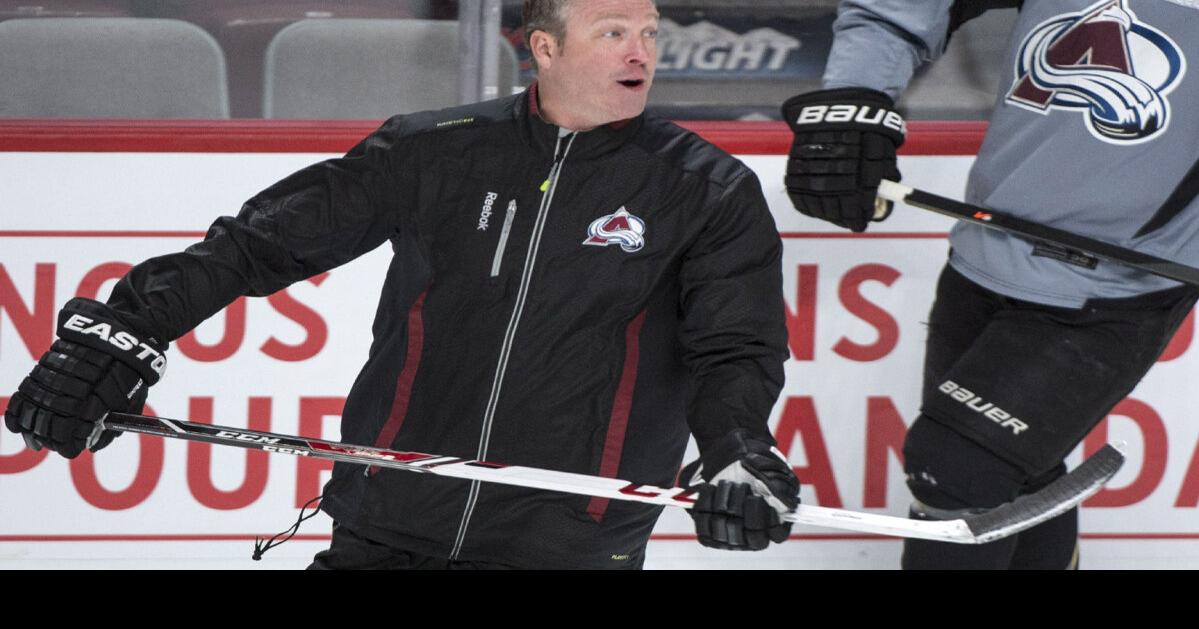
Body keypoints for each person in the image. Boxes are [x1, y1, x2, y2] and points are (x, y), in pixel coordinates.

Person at [4, 0, 799, 569]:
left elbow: (735, 347)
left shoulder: (705, 188)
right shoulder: (432, 152)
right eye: (614, 32)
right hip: (387, 524)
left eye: (650, 33)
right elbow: (254, 247)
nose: (641, 52)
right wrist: (127, 325)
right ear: (544, 48)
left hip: (569, 543)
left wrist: (738, 450)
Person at [782, 0, 1199, 569]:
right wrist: (855, 100)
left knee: (954, 469)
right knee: (1020, 471)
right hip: (981, 256)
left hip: (1115, 291)